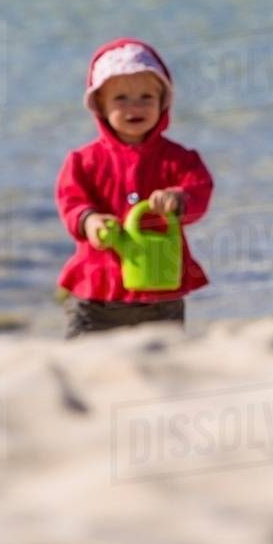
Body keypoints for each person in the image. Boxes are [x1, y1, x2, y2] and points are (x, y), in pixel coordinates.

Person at [55, 38, 214, 338]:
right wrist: (89, 220)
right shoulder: (83, 161)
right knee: (82, 358)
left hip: (160, 287)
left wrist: (179, 198)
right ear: (99, 105)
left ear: (163, 102)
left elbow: (200, 189)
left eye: (146, 97)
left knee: (163, 360)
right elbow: (70, 200)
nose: (135, 106)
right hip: (98, 286)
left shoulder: (177, 159)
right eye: (121, 99)